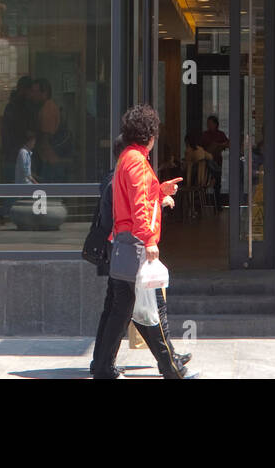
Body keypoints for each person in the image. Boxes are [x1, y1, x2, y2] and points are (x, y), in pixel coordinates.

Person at [91, 103, 194, 379]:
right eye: (155, 132)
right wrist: (149, 240)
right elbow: (138, 204)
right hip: (135, 245)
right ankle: (169, 366)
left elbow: (140, 197)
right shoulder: (137, 161)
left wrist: (160, 191)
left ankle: (105, 366)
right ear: (149, 134)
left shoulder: (128, 158)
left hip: (125, 244)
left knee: (123, 309)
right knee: (139, 309)